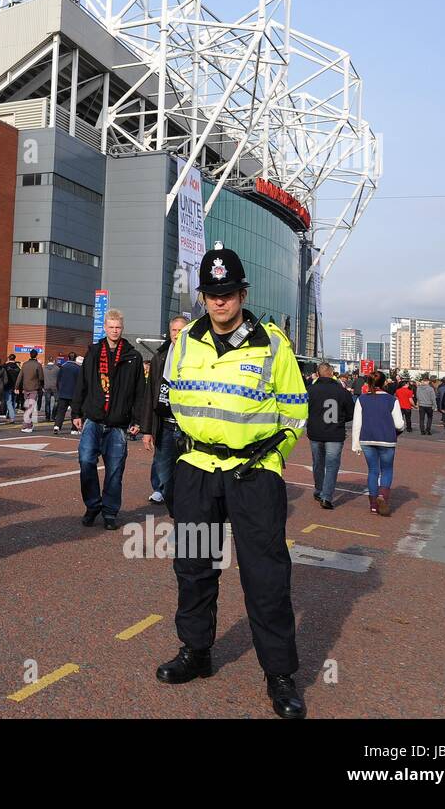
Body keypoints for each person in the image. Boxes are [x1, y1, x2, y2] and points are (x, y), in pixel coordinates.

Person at [158, 245, 308, 720]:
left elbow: (295, 410)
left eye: (228, 293)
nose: (220, 302)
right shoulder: (185, 342)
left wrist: (274, 457)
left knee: (266, 577)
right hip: (198, 471)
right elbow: (170, 400)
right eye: (211, 294)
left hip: (254, 473)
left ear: (242, 293)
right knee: (194, 568)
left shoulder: (274, 343)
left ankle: (279, 675)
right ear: (202, 297)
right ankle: (196, 653)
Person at [72, 310, 144, 529]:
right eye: (111, 327)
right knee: (86, 462)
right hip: (93, 419)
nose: (114, 331)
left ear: (122, 328)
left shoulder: (133, 356)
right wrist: (76, 412)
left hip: (118, 423)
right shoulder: (94, 352)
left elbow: (140, 391)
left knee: (114, 471)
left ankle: (110, 512)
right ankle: (93, 504)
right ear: (105, 328)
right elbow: (82, 383)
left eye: (118, 327)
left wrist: (137, 419)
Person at [138, 317, 188, 506]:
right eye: (174, 330)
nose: (177, 334)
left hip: (187, 422)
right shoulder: (160, 357)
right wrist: (147, 429)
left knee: (187, 463)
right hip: (165, 420)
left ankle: (180, 494)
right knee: (161, 460)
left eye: (181, 330)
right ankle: (159, 489)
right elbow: (150, 392)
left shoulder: (197, 355)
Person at [351, 371, 405, 514]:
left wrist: (356, 444)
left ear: (368, 383)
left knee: (373, 471)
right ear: (384, 383)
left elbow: (357, 424)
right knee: (387, 469)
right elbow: (399, 424)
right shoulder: (392, 400)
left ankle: (373, 504)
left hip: (367, 439)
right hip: (386, 439)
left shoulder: (362, 399)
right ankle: (383, 496)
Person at [306, 362, 354, 510]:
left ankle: (319, 490)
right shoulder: (342, 391)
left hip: (315, 432)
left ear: (318, 374)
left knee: (318, 463)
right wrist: (340, 419)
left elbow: (303, 410)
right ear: (332, 373)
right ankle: (326, 497)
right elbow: (350, 413)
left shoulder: (310, 390)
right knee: (332, 465)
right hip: (334, 432)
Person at [18, 348, 44, 433]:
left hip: (26, 388)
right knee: (30, 407)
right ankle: (26, 425)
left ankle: (29, 424)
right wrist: (42, 386)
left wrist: (16, 386)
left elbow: (20, 376)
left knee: (28, 406)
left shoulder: (25, 364)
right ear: (36, 355)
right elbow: (41, 378)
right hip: (34, 388)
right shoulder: (38, 365)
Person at [54, 352, 80, 434]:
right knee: (75, 412)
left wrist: (59, 390)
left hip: (63, 393)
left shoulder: (63, 367)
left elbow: (58, 380)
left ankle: (57, 426)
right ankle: (74, 429)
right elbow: (80, 382)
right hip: (73, 394)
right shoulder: (78, 368)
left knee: (61, 411)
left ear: (68, 358)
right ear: (75, 359)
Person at [42, 356, 60, 422]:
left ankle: (47, 417)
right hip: (55, 387)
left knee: (47, 402)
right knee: (57, 401)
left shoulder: (43, 368)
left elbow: (41, 378)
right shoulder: (57, 368)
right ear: (54, 361)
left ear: (48, 360)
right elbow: (59, 378)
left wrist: (42, 386)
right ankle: (53, 416)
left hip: (46, 386)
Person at [3, 353, 20, 423]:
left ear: (8, 358)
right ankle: (9, 415)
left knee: (8, 401)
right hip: (15, 386)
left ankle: (12, 417)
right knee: (13, 402)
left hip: (7, 386)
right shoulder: (17, 368)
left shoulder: (5, 366)